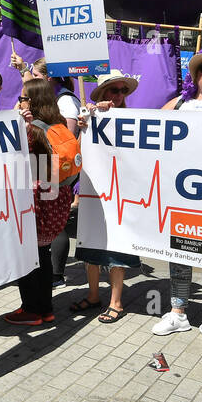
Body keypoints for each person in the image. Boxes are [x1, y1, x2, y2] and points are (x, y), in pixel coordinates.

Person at [152, 53, 202, 347]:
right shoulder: (179, 105)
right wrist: (103, 114)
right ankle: (178, 312)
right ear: (195, 76)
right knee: (181, 252)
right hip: (184, 195)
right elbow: (141, 129)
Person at [70, 70, 143, 324]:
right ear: (102, 93)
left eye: (123, 91)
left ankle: (116, 301)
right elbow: (77, 153)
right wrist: (85, 122)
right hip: (93, 189)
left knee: (117, 248)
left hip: (122, 192)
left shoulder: (133, 119)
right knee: (90, 244)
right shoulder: (90, 116)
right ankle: (93, 295)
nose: (119, 96)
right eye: (114, 90)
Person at [6, 78, 77, 325]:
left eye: (23, 97)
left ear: (32, 101)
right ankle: (46, 308)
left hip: (36, 202)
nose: (20, 101)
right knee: (42, 254)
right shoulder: (59, 126)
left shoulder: (31, 130)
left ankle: (31, 310)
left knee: (28, 257)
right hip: (57, 199)